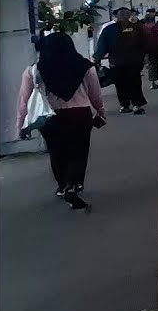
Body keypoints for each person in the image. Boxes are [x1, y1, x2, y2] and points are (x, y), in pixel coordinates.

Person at [17, 32, 106, 210]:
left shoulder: (34, 70)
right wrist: (101, 112)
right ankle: (74, 185)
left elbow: (23, 100)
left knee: (56, 152)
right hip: (80, 115)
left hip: (50, 118)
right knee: (78, 151)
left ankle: (63, 185)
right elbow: (95, 94)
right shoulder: (86, 67)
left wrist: (20, 125)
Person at [94, 7, 149, 114]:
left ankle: (125, 105)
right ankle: (137, 104)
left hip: (117, 62)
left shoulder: (109, 29)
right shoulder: (137, 28)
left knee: (120, 84)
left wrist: (97, 58)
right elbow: (145, 43)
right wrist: (144, 56)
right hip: (134, 61)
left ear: (116, 17)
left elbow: (102, 46)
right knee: (134, 82)